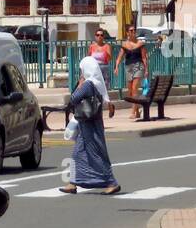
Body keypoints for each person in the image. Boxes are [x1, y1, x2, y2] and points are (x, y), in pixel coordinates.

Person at [60, 57, 120, 195]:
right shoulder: (98, 83)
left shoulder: (88, 84)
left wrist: (80, 84)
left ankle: (111, 182)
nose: (81, 73)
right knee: (78, 153)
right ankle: (73, 183)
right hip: (90, 123)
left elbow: (74, 98)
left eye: (82, 70)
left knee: (95, 154)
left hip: (89, 126)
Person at [118, 25, 149, 120]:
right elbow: (120, 56)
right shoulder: (125, 44)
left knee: (135, 88)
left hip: (138, 66)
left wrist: (146, 69)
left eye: (134, 30)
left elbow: (144, 57)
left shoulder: (140, 43)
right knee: (130, 91)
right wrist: (116, 66)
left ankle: (132, 112)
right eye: (131, 31)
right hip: (128, 67)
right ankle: (137, 110)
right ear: (127, 33)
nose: (133, 32)